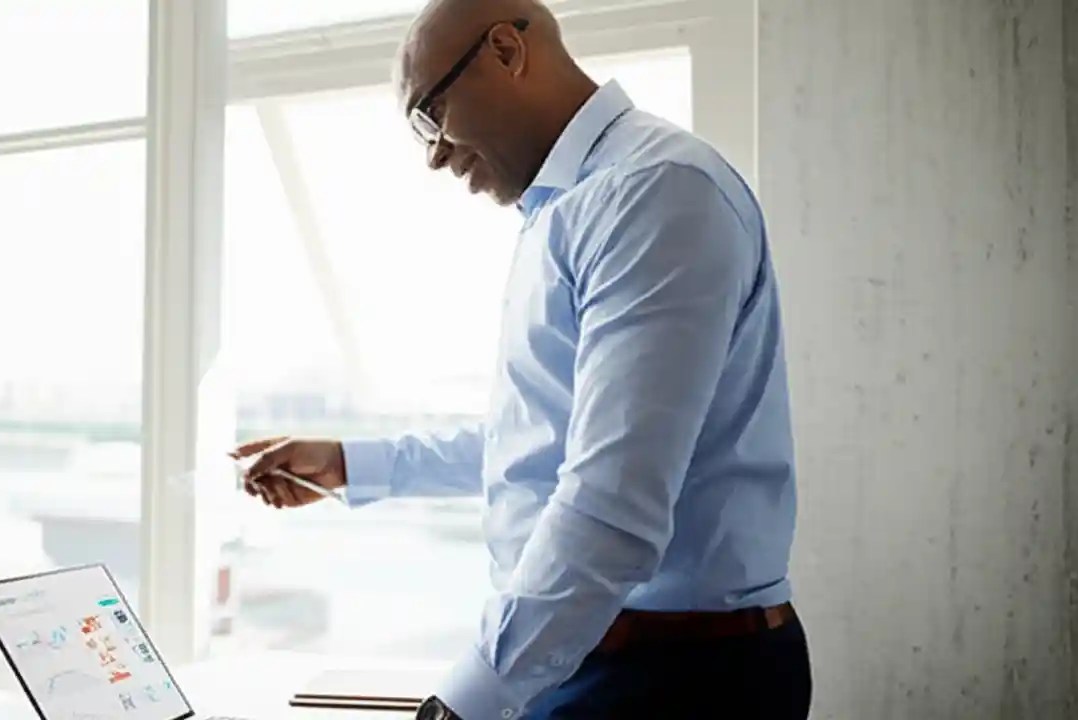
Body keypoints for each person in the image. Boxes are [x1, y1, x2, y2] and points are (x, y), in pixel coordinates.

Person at [232, 0, 811, 717]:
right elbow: (547, 443)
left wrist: (468, 699)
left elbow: (611, 499)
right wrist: (352, 463)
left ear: (506, 50)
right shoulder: (568, 210)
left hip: (672, 679)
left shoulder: (652, 193)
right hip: (603, 661)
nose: (435, 153)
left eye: (430, 112)